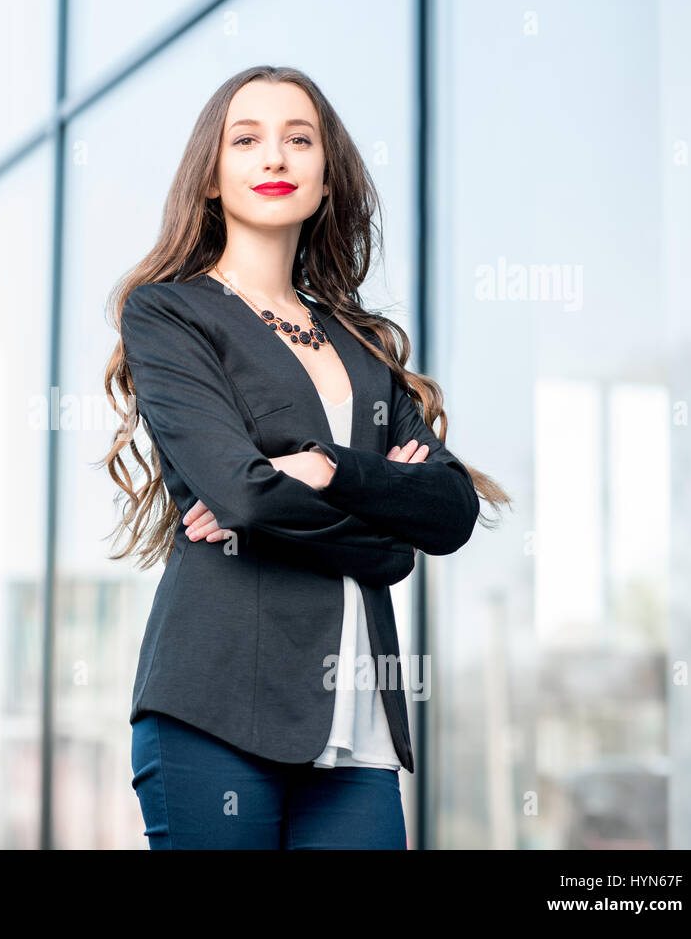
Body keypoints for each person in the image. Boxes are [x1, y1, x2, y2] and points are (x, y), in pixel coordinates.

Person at [100, 65, 509, 849]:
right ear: (212, 179)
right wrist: (385, 542)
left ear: (326, 180)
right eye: (246, 139)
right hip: (213, 711)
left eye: (299, 139)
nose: (275, 157)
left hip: (359, 736)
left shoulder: (364, 344)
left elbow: (452, 509)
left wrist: (327, 469)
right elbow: (246, 495)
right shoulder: (168, 315)